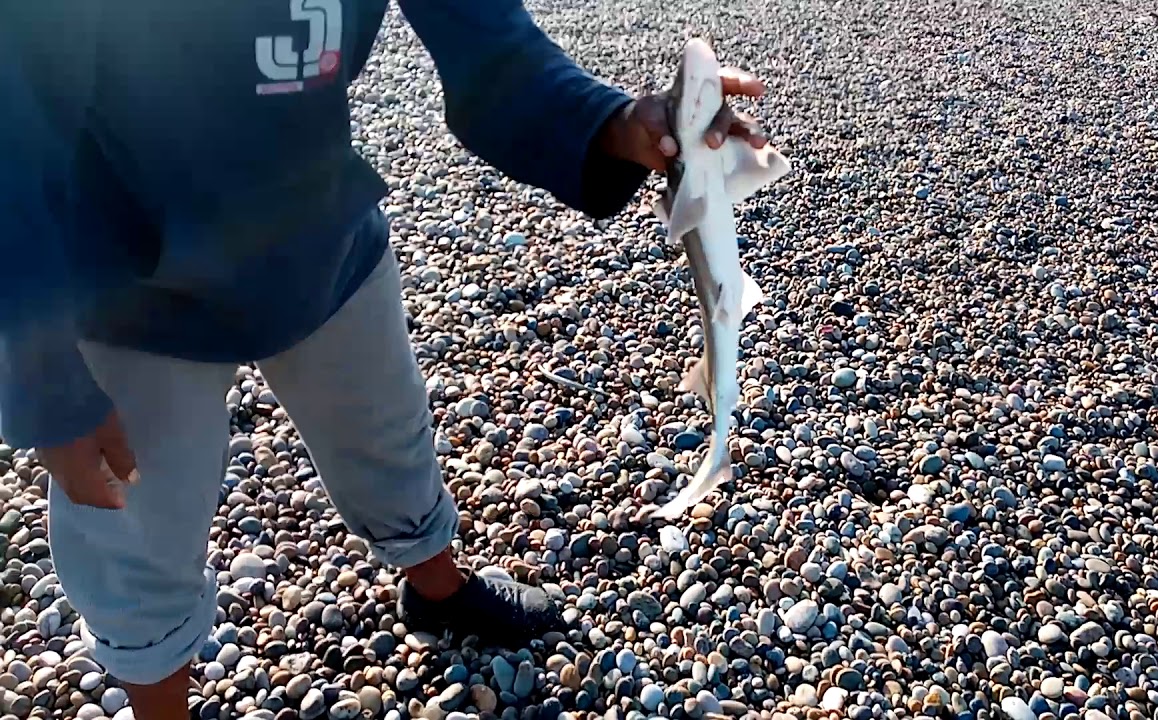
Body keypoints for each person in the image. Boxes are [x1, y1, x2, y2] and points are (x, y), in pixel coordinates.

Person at [0, 2, 772, 718]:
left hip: (320, 241)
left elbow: (492, 47)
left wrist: (612, 122)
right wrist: (43, 379)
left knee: (389, 434)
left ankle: (436, 589)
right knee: (133, 532)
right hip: (124, 288)